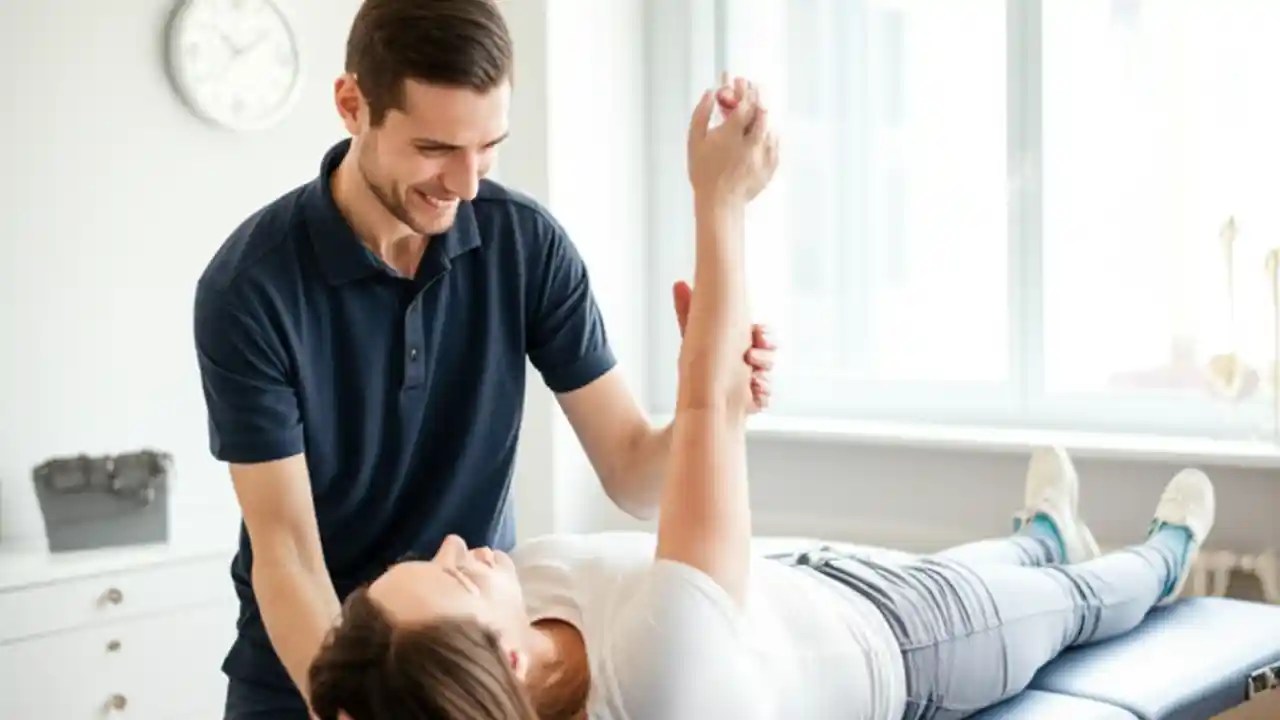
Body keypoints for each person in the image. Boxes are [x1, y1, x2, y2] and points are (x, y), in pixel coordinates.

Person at [304, 82, 1219, 720]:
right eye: (457, 573)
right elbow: (696, 415)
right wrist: (722, 199)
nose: (463, 542)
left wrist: (727, 404)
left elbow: (691, 452)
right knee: (1079, 601)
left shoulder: (516, 594)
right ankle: (1167, 556)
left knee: (995, 558)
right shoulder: (660, 688)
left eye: (434, 555)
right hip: (908, 647)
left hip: (807, 579)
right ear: (503, 664)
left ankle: (1041, 530)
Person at [191, 1, 775, 717]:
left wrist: (715, 408)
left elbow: (634, 475)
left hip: (471, 673)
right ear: (352, 105)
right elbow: (286, 554)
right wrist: (343, 707)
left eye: (488, 146)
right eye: (435, 148)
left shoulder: (524, 245)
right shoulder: (252, 287)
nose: (466, 185)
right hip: (309, 675)